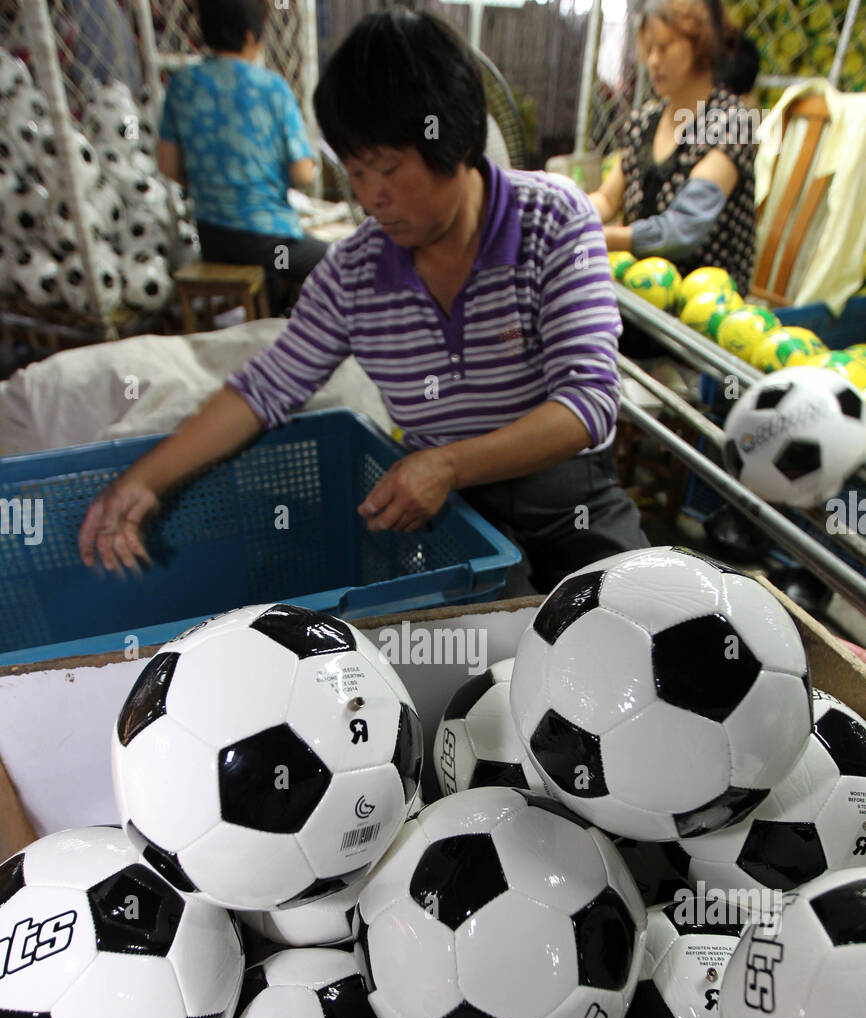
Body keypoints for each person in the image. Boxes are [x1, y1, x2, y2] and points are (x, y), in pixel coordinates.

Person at [79, 9, 647, 590]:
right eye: (355, 172)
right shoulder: (354, 271)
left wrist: (448, 464)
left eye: (389, 169)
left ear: (455, 141)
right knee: (491, 654)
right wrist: (146, 480)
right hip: (450, 513)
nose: (372, 197)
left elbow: (590, 399)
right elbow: (263, 390)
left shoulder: (554, 219)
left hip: (565, 492)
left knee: (646, 612)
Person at [589, 0, 758, 356]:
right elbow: (607, 199)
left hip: (695, 319)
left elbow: (682, 230)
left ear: (700, 44)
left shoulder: (730, 124)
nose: (653, 61)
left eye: (664, 47)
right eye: (648, 49)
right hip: (641, 299)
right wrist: (562, 213)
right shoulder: (644, 122)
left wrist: (593, 237)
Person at [156, 0, 327, 314]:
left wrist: (211, 182)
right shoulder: (271, 89)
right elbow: (303, 175)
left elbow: (168, 165)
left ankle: (272, 317)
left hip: (212, 241)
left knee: (277, 273)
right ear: (252, 35)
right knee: (337, 262)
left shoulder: (181, 86)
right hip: (270, 248)